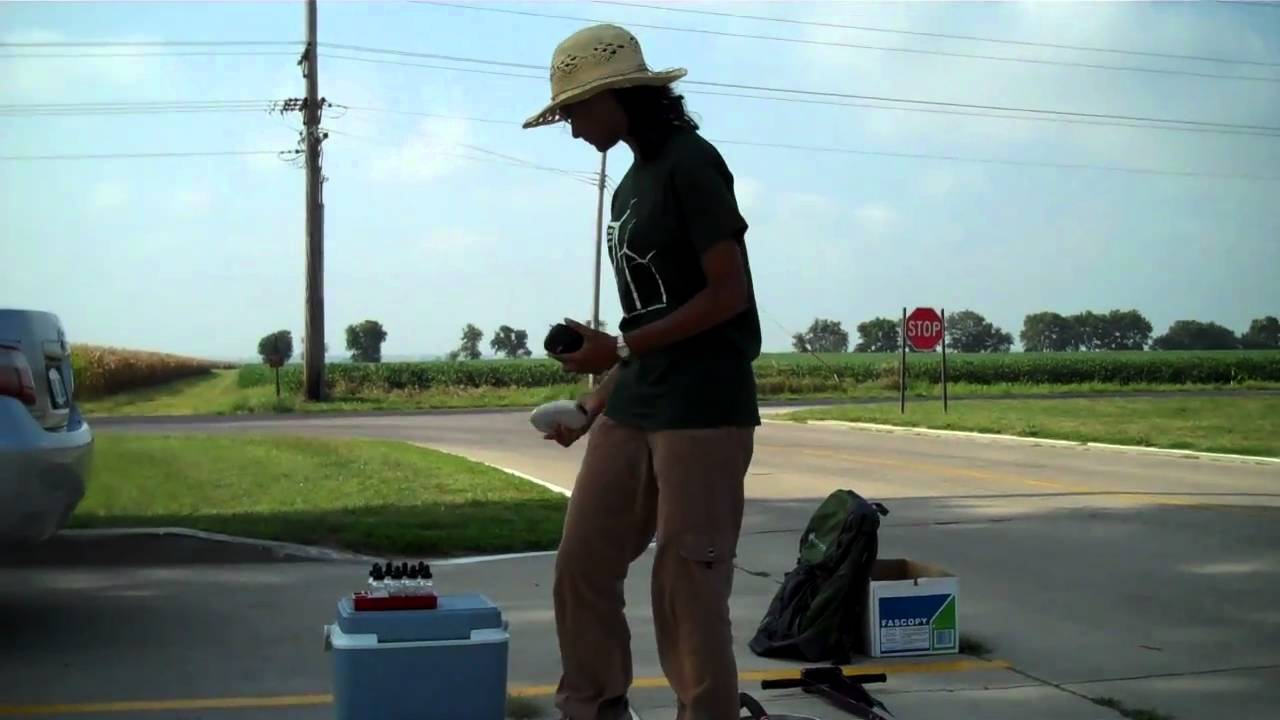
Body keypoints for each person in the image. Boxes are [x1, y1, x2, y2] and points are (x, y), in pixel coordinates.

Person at [522, 23, 762, 720]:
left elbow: (728, 294)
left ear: (617, 96)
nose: (569, 129)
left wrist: (620, 353)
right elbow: (640, 328)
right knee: (583, 562)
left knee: (687, 584)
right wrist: (593, 403)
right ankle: (593, 706)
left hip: (703, 409)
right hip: (638, 402)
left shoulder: (692, 163)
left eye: (573, 111)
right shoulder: (629, 184)